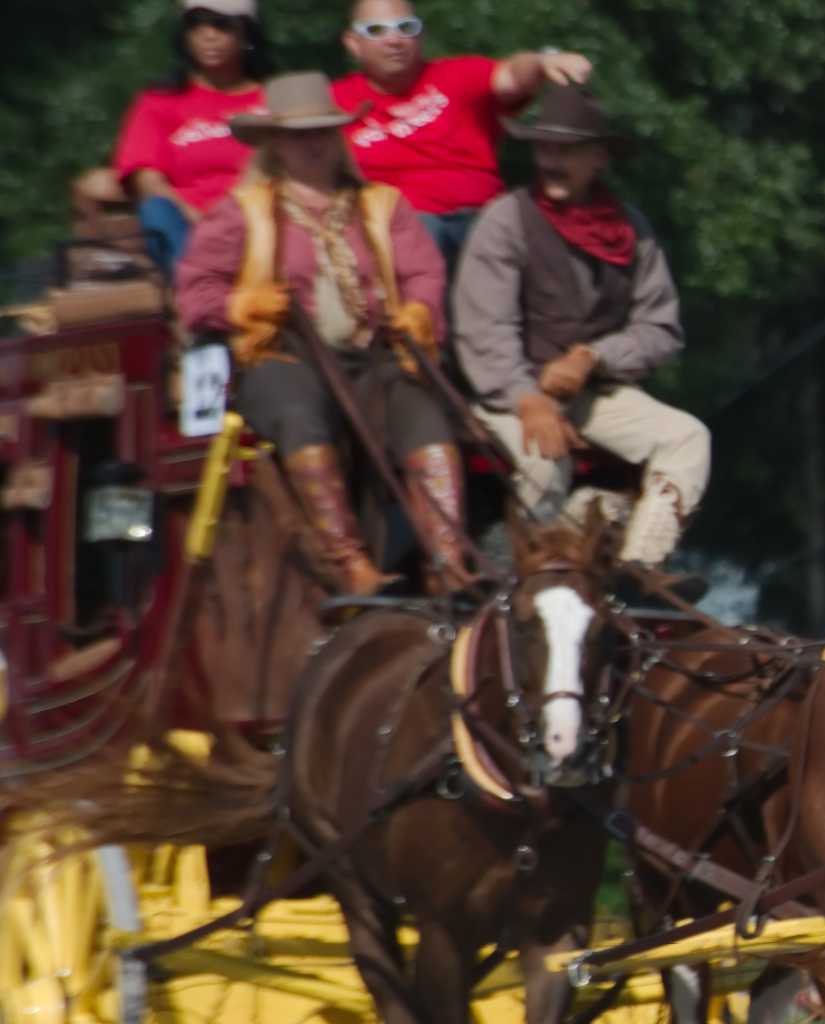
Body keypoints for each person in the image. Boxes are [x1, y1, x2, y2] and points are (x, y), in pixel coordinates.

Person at [176, 72, 468, 596]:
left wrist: (418, 313)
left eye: (321, 133)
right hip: (284, 356)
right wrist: (246, 305)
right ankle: (348, 561)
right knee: (297, 412)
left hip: (376, 354)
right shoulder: (242, 211)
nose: (311, 145)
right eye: (297, 136)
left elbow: (424, 273)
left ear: (337, 138)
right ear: (275, 144)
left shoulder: (383, 205)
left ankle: (448, 564)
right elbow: (196, 291)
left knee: (426, 419)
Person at [453, 85, 707, 571]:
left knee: (687, 437)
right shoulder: (506, 221)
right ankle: (516, 582)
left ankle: (639, 569)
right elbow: (483, 330)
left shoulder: (631, 228)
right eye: (545, 148)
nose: (552, 161)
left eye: (567, 150)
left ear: (599, 158)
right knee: (544, 459)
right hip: (508, 393)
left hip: (595, 391)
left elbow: (660, 328)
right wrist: (528, 400)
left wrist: (594, 356)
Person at [331, 0, 594, 263]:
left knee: (527, 225)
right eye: (376, 30)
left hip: (483, 221)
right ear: (353, 43)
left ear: (421, 35)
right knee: (419, 234)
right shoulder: (335, 103)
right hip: (401, 232)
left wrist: (541, 62)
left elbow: (513, 76)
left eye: (406, 27)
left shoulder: (459, 75)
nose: (394, 40)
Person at [112, 1, 276, 277]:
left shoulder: (273, 98)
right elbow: (148, 181)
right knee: (157, 210)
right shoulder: (158, 102)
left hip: (259, 222)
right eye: (195, 24)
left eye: (221, 25)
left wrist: (230, 221)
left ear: (247, 33)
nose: (208, 35)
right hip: (188, 228)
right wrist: (198, 220)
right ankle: (198, 286)